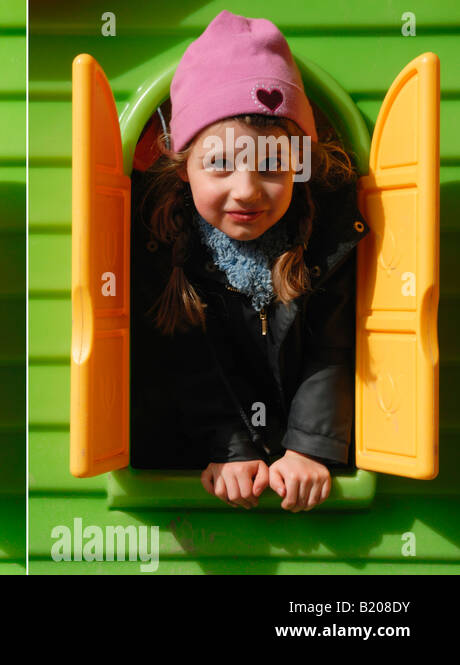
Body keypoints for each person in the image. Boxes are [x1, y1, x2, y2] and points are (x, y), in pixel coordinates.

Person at [129, 10, 365, 511]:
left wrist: (308, 447)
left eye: (272, 165)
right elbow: (178, 362)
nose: (247, 190)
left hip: (302, 459)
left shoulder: (322, 239)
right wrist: (230, 448)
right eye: (218, 163)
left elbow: (332, 351)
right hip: (205, 459)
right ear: (182, 165)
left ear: (299, 164)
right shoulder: (161, 242)